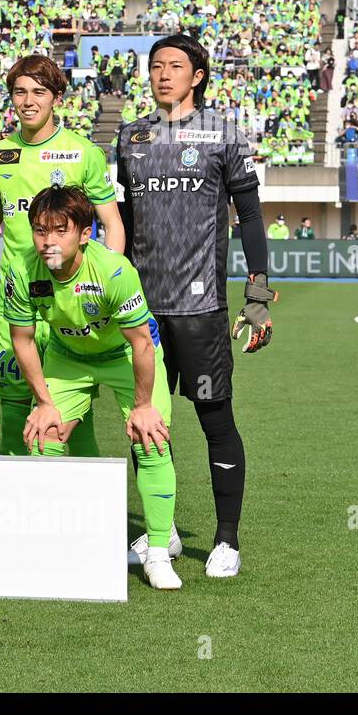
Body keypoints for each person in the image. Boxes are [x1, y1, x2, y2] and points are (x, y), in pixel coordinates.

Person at [115, 33, 275, 579]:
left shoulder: (223, 134)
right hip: (140, 312)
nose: (163, 75)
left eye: (175, 66)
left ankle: (226, 539)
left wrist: (258, 292)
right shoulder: (130, 136)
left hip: (201, 307)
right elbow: (125, 225)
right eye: (156, 65)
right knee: (145, 423)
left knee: (215, 420)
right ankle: (165, 534)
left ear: (197, 76)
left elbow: (250, 217)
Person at [4, 186, 179, 590]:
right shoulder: (21, 269)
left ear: (85, 234)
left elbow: (140, 343)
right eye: (39, 231)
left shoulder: (114, 271)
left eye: (60, 231)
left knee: (150, 439)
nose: (48, 241)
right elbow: (24, 341)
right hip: (68, 357)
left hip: (123, 355)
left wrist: (143, 405)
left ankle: (157, 552)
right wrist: (45, 402)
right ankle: (78, 538)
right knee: (44, 436)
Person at [0, 54, 124, 456]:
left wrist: (106, 284)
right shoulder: (0, 155)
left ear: (56, 97)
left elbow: (112, 223)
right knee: (10, 410)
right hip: (17, 302)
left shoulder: (83, 153)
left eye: (39, 92)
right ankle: (14, 512)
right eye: (19, 92)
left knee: (70, 415)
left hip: (69, 304)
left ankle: (84, 512)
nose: (28, 101)